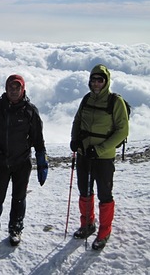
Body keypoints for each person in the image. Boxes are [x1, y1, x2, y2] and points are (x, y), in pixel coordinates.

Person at [0, 74, 48, 247]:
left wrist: (42, 160)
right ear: (6, 88)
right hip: (0, 161)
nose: (13, 90)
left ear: (23, 89)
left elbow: (38, 139)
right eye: (11, 87)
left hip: (22, 163)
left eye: (17, 87)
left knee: (19, 197)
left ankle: (16, 228)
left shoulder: (30, 111)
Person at [70, 64, 129, 250]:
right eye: (93, 80)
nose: (96, 83)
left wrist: (101, 149)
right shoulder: (87, 99)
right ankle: (87, 224)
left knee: (105, 193)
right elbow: (77, 121)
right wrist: (75, 140)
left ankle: (104, 231)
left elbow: (122, 131)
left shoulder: (115, 102)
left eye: (100, 80)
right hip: (84, 154)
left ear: (106, 81)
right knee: (84, 191)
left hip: (104, 158)